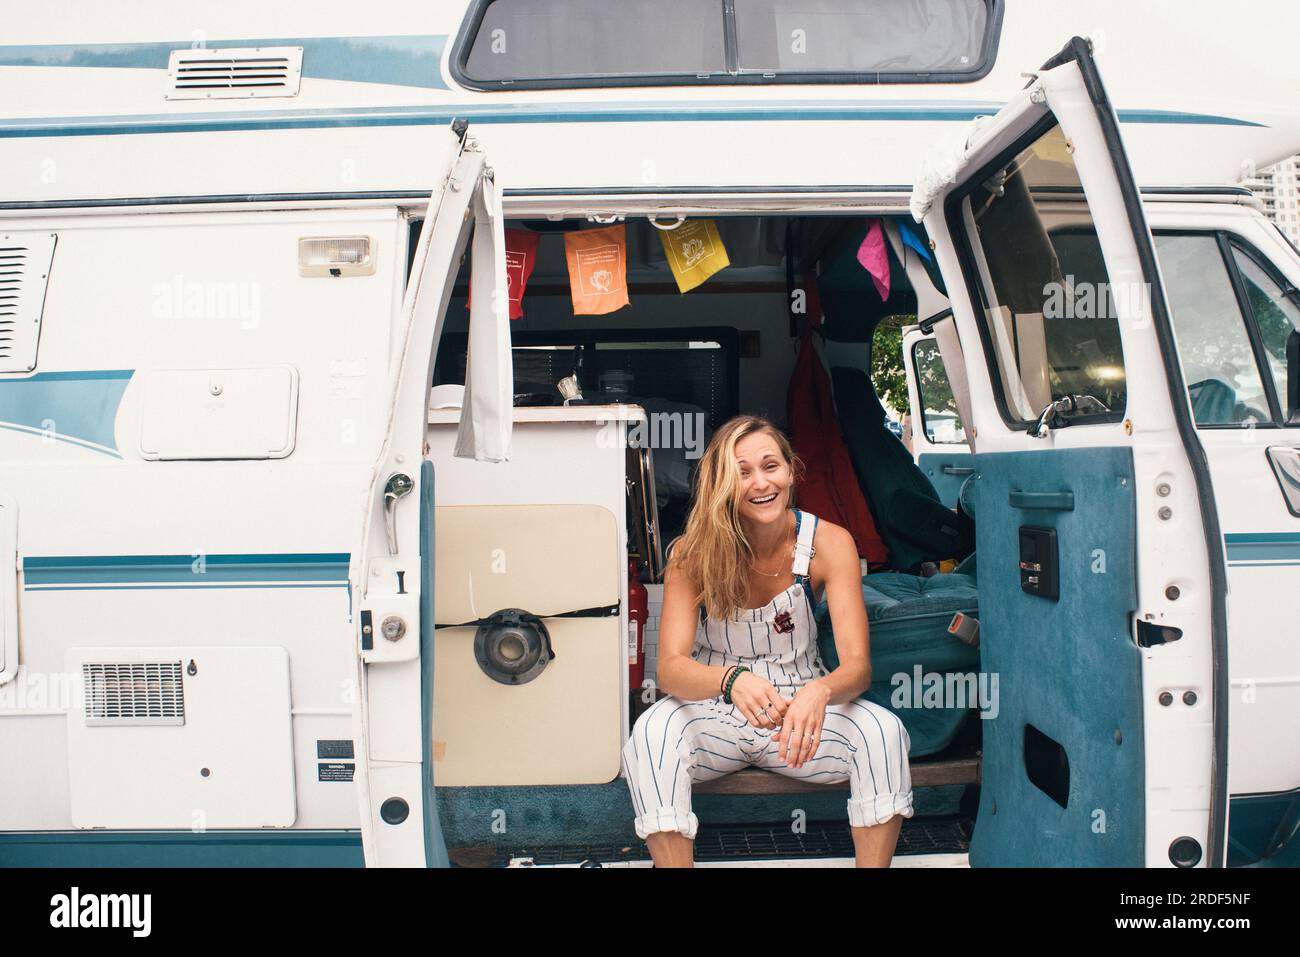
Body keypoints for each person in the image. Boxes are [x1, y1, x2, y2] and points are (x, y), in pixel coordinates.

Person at [622, 414, 913, 868]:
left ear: (792, 470)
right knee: (651, 734)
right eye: (742, 472)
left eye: (770, 466)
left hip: (799, 713)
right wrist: (731, 680)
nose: (761, 482)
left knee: (883, 730)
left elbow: (858, 668)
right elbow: (672, 669)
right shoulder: (692, 551)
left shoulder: (830, 543)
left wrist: (820, 691)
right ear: (721, 483)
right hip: (715, 707)